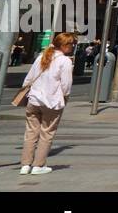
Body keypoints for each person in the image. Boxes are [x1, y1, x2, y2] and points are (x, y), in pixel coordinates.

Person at [18, 32, 77, 175]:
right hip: (51, 102)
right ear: (64, 45)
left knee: (30, 133)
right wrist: (64, 98)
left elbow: (28, 79)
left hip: (34, 100)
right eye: (71, 44)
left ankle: (25, 165)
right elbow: (66, 85)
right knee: (47, 134)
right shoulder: (65, 61)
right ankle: (38, 166)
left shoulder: (41, 57)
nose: (73, 47)